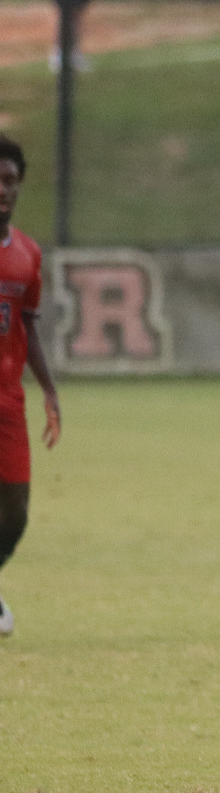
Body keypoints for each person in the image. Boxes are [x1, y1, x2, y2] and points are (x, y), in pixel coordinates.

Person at [0, 135, 61, 638]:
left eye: (10, 181)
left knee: (15, 513)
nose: (1, 190)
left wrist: (49, 390)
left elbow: (28, 326)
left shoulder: (26, 255)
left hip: (7, 403)